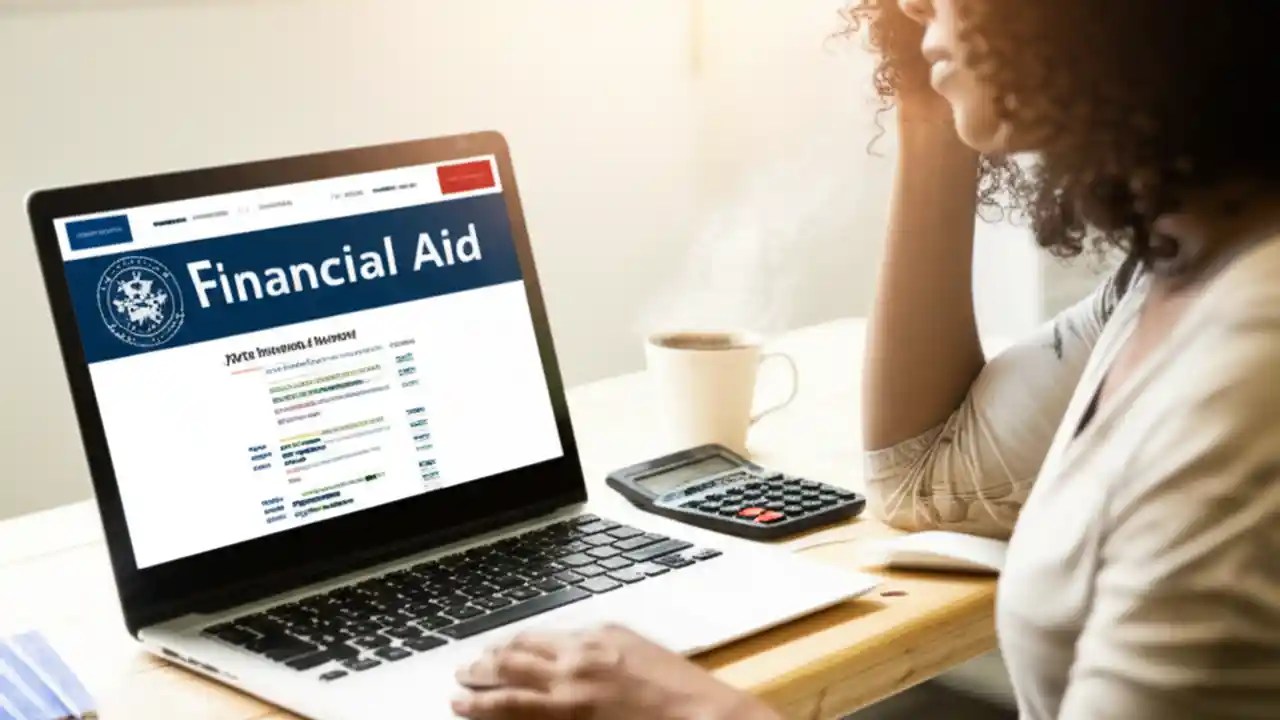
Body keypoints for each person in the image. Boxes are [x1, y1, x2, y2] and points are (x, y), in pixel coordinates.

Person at [450, 0, 1280, 718]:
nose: (913, 5)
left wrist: (694, 710)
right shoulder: (1169, 277)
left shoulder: (1248, 376)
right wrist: (931, 101)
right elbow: (926, 475)